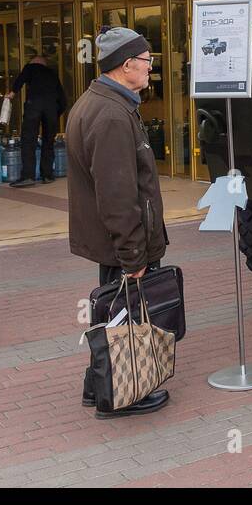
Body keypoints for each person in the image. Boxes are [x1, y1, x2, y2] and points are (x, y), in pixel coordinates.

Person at [67, 27, 169, 419]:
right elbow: (117, 194)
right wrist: (133, 254)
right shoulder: (111, 114)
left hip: (115, 239)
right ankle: (121, 396)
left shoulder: (103, 103)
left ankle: (97, 387)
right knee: (125, 315)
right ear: (127, 65)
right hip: (123, 241)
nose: (150, 70)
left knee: (114, 312)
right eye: (146, 62)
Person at [6, 52, 67, 188]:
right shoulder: (52, 74)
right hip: (51, 109)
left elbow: (20, 80)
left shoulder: (30, 67)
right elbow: (63, 100)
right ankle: (47, 174)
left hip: (34, 106)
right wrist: (56, 113)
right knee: (48, 141)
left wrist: (12, 93)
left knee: (28, 140)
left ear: (34, 62)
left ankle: (28, 176)